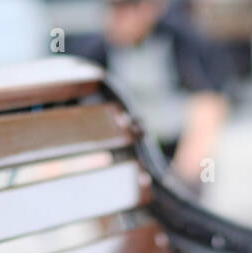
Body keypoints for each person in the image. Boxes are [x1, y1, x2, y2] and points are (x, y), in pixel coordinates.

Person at [66, 0, 231, 193]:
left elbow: (209, 105)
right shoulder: (99, 50)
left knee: (198, 159)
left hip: (175, 148)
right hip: (131, 150)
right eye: (113, 9)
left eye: (125, 9)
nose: (117, 19)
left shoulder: (181, 41)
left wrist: (181, 175)